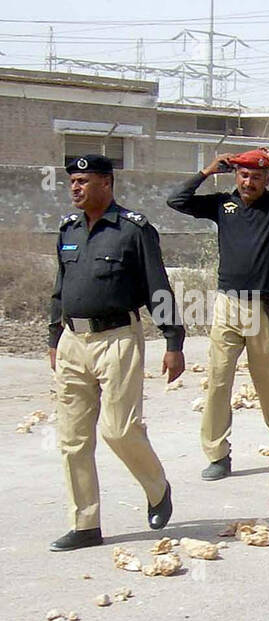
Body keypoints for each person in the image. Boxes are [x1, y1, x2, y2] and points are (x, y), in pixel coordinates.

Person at [47, 154, 185, 551]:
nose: (75, 188)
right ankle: (85, 523)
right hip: (73, 341)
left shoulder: (133, 230)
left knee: (119, 429)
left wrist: (173, 341)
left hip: (118, 339)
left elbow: (157, 288)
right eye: (72, 181)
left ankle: (157, 487)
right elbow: (60, 289)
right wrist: (52, 338)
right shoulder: (68, 229)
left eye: (83, 181)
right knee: (72, 439)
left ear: (106, 183)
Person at [167, 147, 269, 480]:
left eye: (256, 176)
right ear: (235, 177)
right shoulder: (221, 205)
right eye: (243, 175)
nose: (248, 182)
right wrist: (207, 171)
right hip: (227, 305)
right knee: (217, 381)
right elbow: (176, 200)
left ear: (267, 178)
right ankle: (218, 455)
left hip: (265, 308)